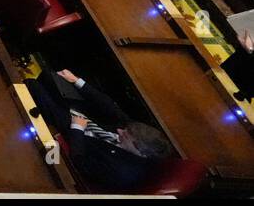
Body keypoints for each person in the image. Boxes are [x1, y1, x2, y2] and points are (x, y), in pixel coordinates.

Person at [26, 67, 172, 193]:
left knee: (33, 86)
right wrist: (77, 81)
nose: (120, 131)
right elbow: (109, 105)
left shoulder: (122, 172)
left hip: (73, 134)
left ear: (140, 151)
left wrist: (77, 129)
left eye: (125, 135)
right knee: (48, 75)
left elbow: (80, 163)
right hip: (83, 116)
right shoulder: (134, 131)